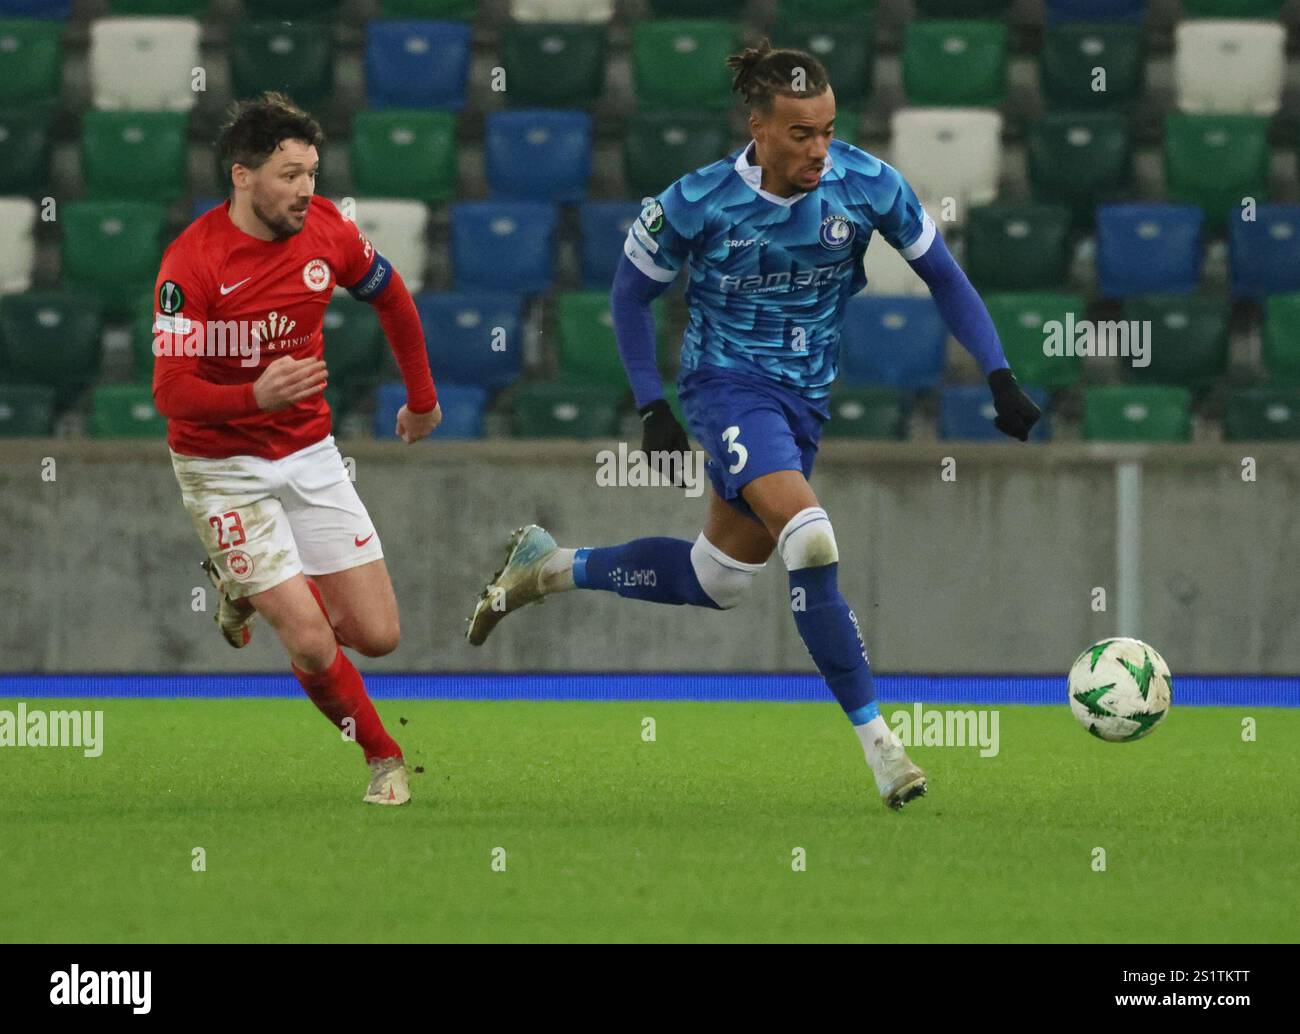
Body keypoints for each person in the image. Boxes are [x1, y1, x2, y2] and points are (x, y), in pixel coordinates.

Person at [466, 43, 1040, 810]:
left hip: (804, 403)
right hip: (728, 389)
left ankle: (548, 568)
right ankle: (882, 746)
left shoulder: (867, 183)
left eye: (827, 130)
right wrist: (652, 404)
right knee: (811, 538)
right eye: (801, 134)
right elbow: (630, 295)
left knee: (719, 580)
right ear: (758, 128)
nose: (819, 149)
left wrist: (998, 373)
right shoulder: (696, 200)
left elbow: (944, 277)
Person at [152, 92, 442, 805]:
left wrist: (421, 398)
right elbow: (171, 391)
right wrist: (255, 396)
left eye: (312, 172)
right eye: (289, 174)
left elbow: (392, 298)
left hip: (309, 452)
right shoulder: (191, 263)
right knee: (311, 641)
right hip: (220, 468)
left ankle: (242, 585)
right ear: (242, 176)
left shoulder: (329, 231)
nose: (306, 188)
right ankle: (384, 758)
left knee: (377, 635)